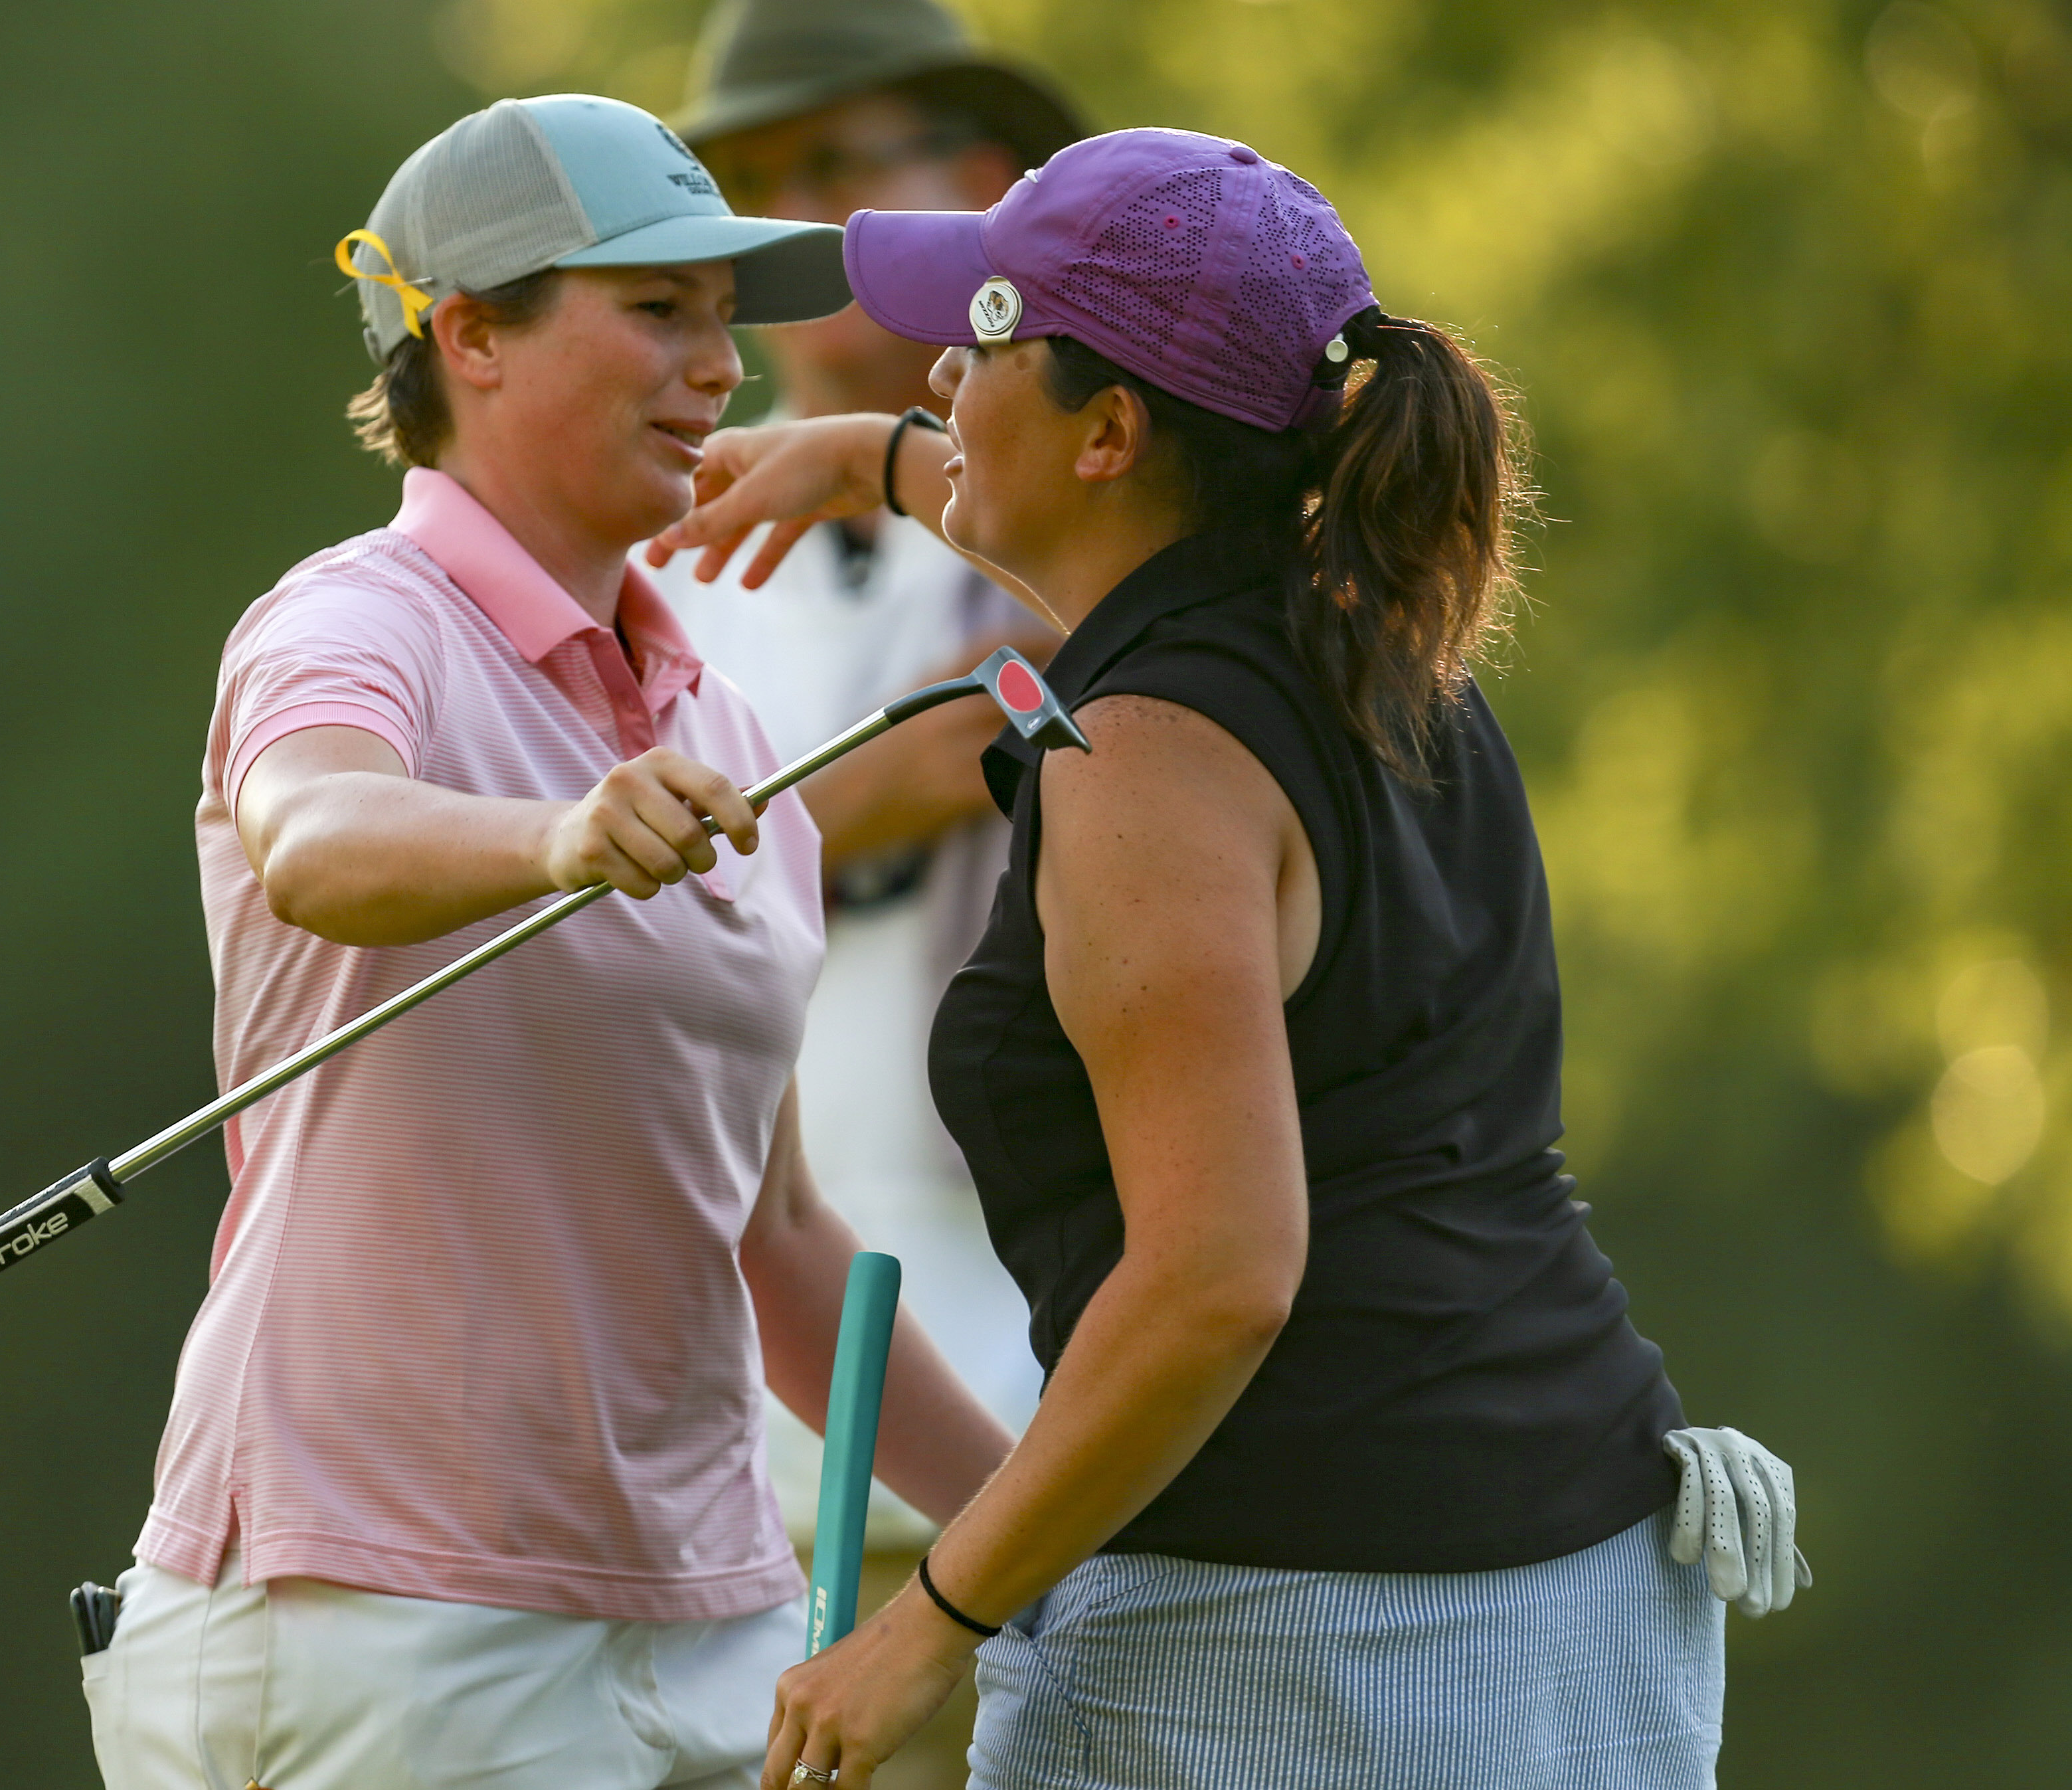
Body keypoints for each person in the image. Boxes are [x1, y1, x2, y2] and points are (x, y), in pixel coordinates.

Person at [649, 129, 1808, 1789]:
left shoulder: (1145, 769)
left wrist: (931, 1629)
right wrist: (880, 461)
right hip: (1578, 1587)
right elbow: (1132, 544)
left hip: (1311, 1647)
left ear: (1111, 430)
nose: (937, 374)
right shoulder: (1371, 620)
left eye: (978, 346)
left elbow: (1213, 1281)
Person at [82, 95, 1011, 1790]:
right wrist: (555, 839)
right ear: (471, 335)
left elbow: (779, 1231)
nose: (719, 367)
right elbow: (315, 836)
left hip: (703, 1616)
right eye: (657, 310)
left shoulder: (733, 733)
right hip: (379, 1607)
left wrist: (1044, 1535)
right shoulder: (354, 618)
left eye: (726, 320)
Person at [655, 0, 1090, 1528]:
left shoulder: (1102, 460)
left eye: (826, 163)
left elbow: (1022, 703)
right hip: (719, 1392)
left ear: (976, 177)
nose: (783, 229)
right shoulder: (653, 534)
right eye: (744, 186)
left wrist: (697, 833)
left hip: (1054, 1346)